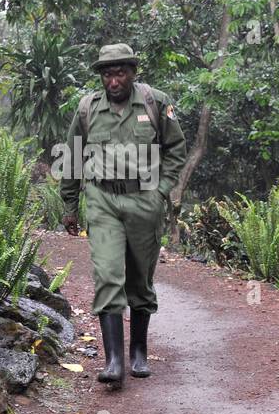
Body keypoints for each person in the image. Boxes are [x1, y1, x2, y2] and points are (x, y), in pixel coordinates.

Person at [59, 43, 186, 389]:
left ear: (132, 73)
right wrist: (70, 205)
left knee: (140, 279)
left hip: (144, 197)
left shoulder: (155, 102)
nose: (113, 80)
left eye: (120, 73)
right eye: (107, 74)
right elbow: (72, 155)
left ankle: (139, 352)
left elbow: (177, 150)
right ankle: (114, 360)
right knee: (108, 274)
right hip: (102, 198)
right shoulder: (87, 108)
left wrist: (161, 191)